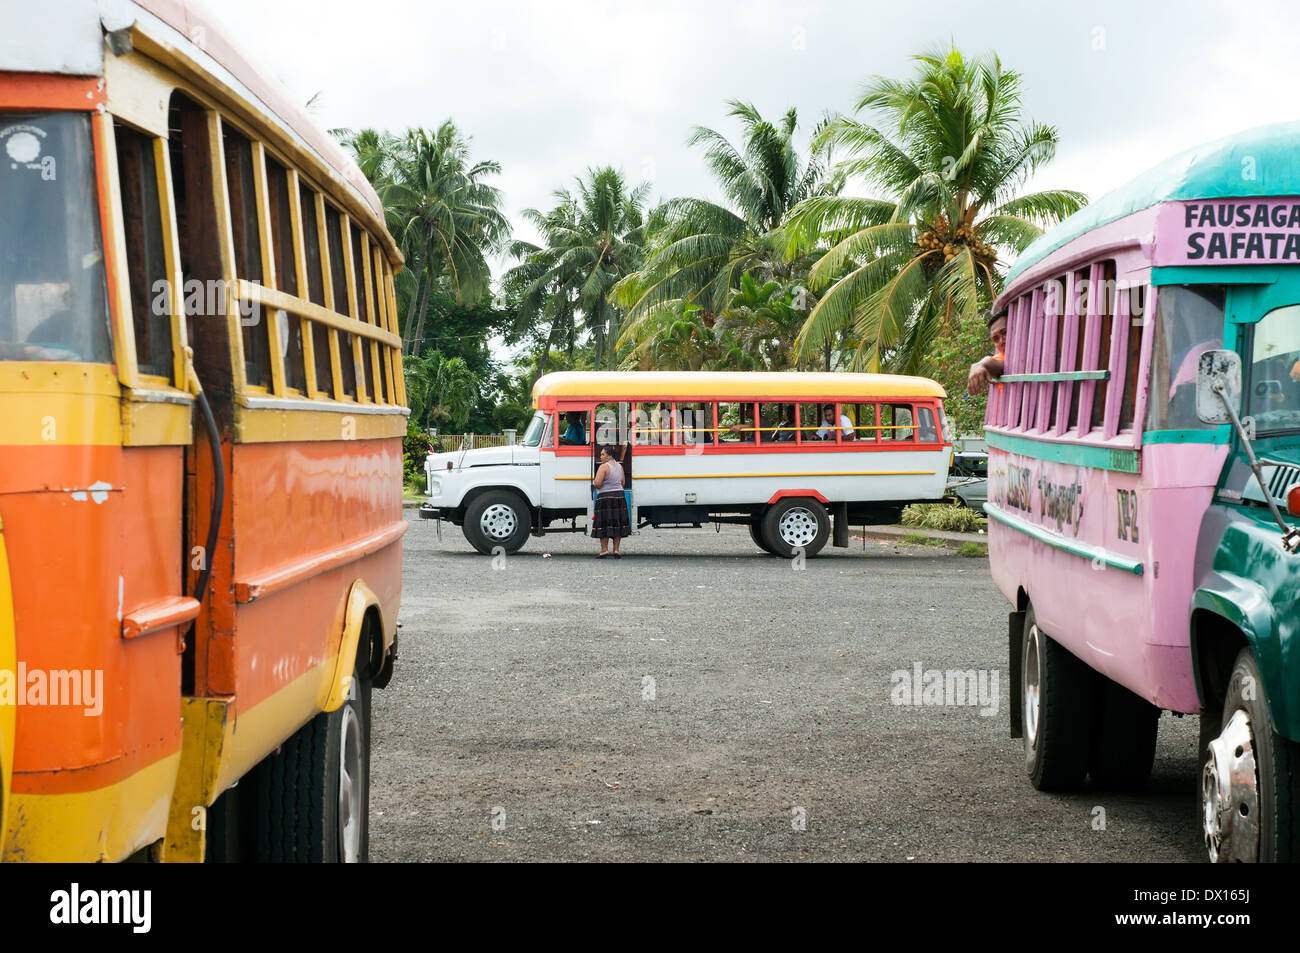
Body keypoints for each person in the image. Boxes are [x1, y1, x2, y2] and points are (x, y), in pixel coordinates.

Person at [591, 444, 630, 558]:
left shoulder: (603, 467)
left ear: (609, 456)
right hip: (619, 497)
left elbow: (598, 483)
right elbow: (623, 483)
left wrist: (594, 483)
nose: (601, 457)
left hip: (605, 498)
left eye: (603, 454)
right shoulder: (619, 466)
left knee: (604, 523)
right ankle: (616, 550)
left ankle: (604, 550)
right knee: (617, 523)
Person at [967, 310, 1008, 395]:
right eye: (996, 339)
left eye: (1005, 332)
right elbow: (996, 363)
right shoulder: (1001, 358)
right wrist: (980, 364)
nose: (1001, 341)